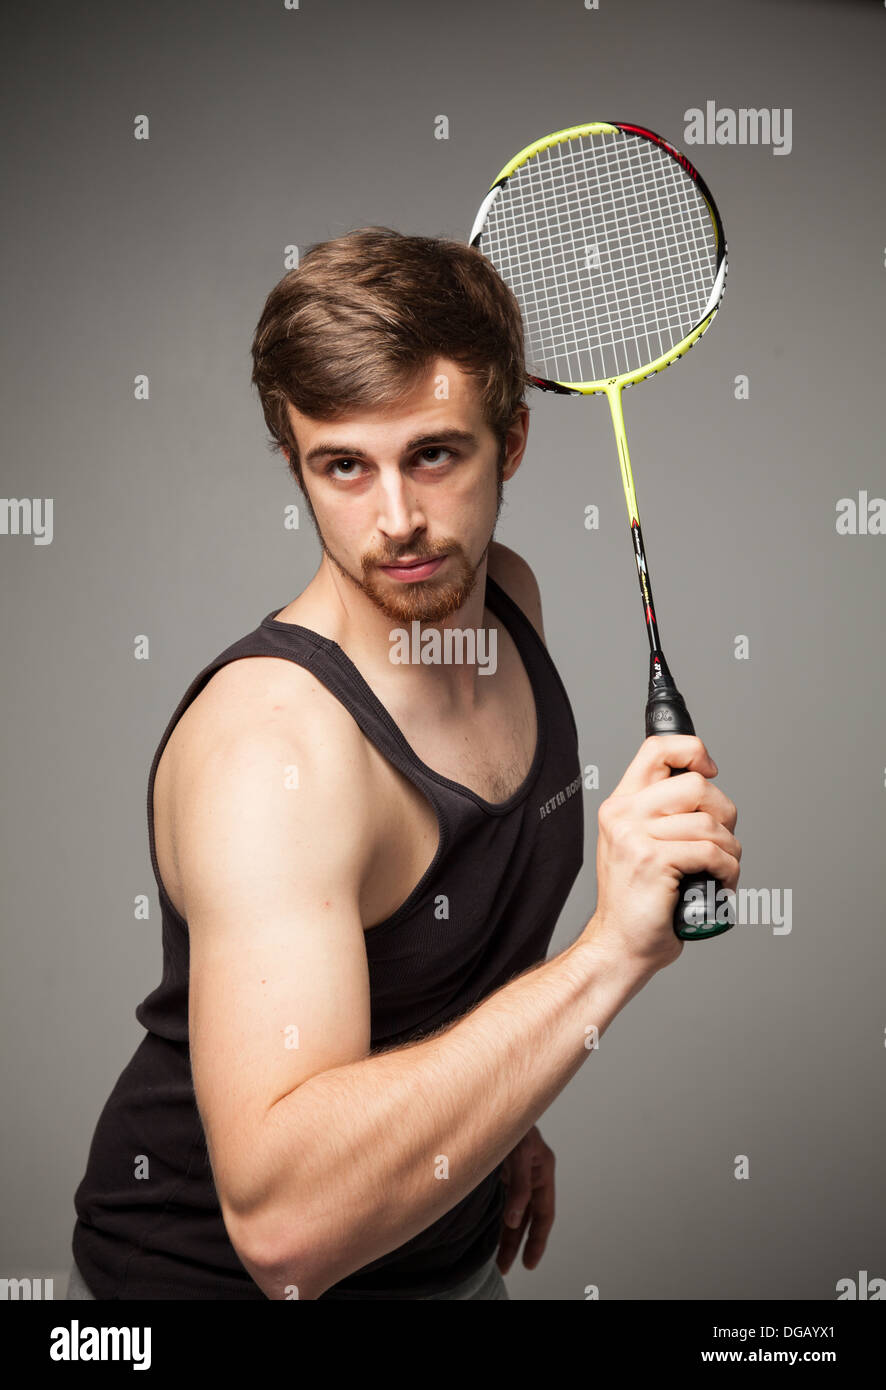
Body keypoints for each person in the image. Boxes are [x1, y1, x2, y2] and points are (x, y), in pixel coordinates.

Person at [68, 227, 740, 1301]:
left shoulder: (505, 602)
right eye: (343, 465)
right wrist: (609, 956)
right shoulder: (271, 755)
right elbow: (284, 1232)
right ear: (294, 462)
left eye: (434, 453)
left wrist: (490, 1117)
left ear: (509, 441)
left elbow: (453, 953)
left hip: (436, 1253)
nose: (398, 523)